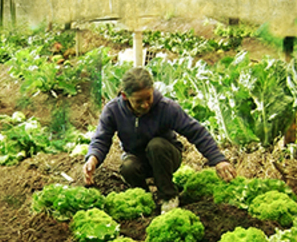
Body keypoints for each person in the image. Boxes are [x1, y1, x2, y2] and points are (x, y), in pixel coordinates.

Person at [82, 66, 236, 212]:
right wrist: (93, 159)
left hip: (166, 156)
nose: (145, 104)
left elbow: (196, 132)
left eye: (148, 98)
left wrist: (218, 160)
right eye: (138, 101)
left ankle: (169, 196)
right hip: (139, 159)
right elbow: (101, 138)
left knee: (156, 145)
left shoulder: (166, 107)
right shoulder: (113, 110)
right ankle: (144, 197)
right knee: (128, 166)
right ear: (125, 96)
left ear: (153, 90)